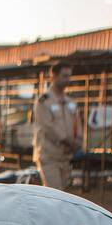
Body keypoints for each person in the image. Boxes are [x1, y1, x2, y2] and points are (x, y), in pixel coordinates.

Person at [34, 63, 81, 191]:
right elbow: (48, 127)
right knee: (54, 194)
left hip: (66, 157)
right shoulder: (44, 101)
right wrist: (67, 140)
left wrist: (78, 140)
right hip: (49, 157)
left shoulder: (70, 102)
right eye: (64, 76)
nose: (67, 80)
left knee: (64, 196)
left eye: (69, 76)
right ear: (54, 76)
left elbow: (77, 124)